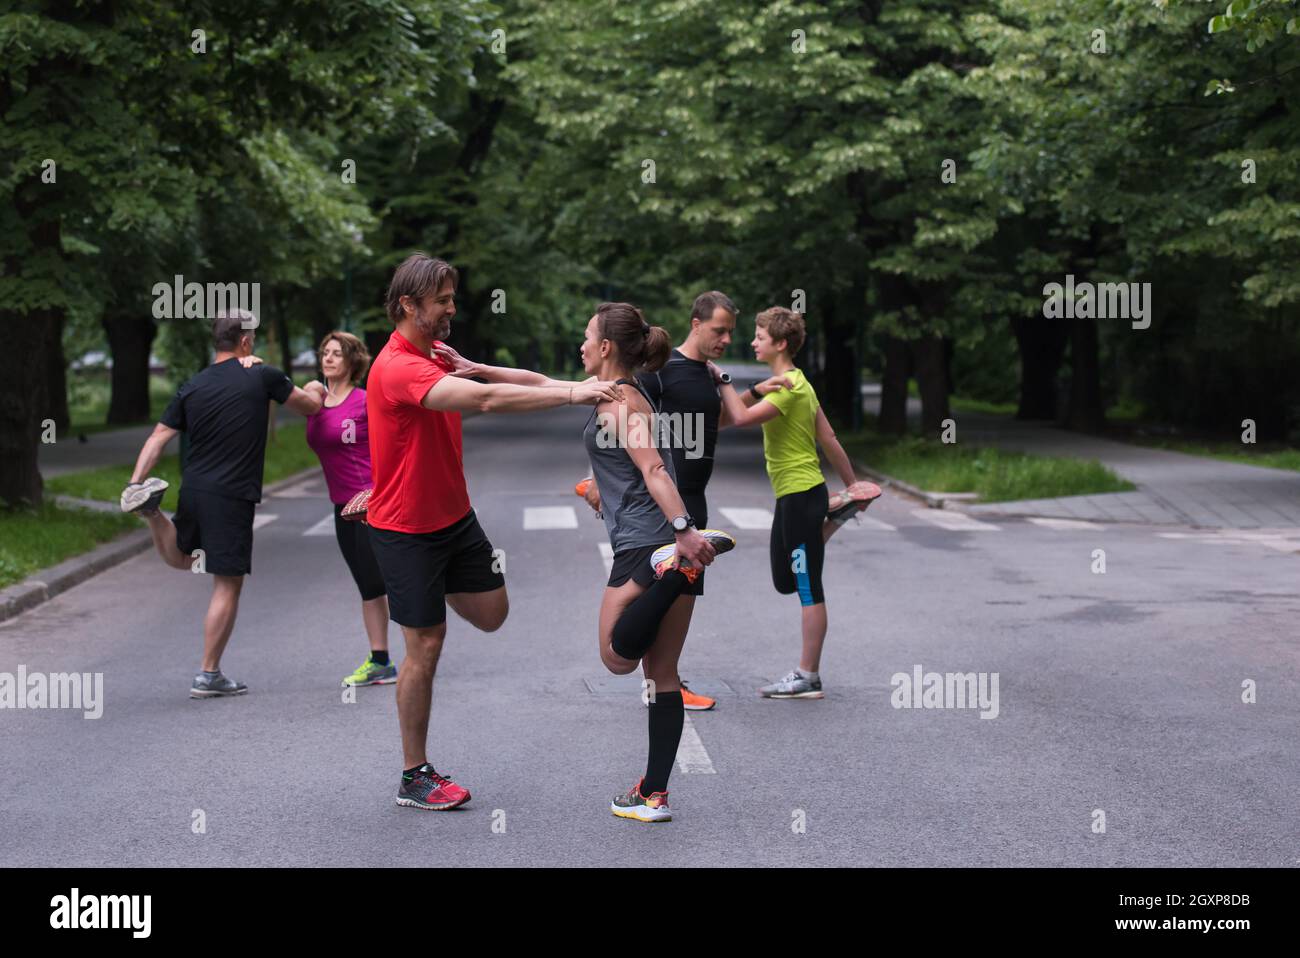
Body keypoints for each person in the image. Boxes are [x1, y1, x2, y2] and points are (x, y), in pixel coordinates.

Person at [366, 252, 620, 811]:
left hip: (455, 518)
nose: (453, 308)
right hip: (406, 531)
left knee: (492, 613)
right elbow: (484, 400)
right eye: (443, 300)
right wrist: (572, 394)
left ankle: (424, 595)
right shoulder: (398, 366)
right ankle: (415, 775)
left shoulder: (432, 354)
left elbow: (490, 383)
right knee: (426, 643)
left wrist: (503, 371)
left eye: (454, 297)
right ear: (409, 304)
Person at [579, 302, 735, 823]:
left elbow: (652, 470)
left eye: (586, 338)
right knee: (661, 672)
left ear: (605, 348)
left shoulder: (616, 404)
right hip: (672, 541)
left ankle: (668, 573)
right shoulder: (633, 392)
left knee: (615, 657)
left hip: (652, 542)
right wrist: (478, 370)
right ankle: (653, 796)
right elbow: (535, 383)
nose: (579, 347)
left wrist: (682, 532)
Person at [119, 310, 326, 698]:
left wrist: (134, 482)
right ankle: (209, 673)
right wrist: (317, 386)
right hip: (232, 495)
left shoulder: (192, 385)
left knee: (183, 558)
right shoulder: (263, 375)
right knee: (227, 583)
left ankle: (151, 511)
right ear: (245, 342)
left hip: (195, 487)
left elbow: (157, 438)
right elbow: (309, 407)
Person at [713, 306, 879, 700]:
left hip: (803, 494)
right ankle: (837, 513)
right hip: (796, 496)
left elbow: (734, 418)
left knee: (807, 586)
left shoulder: (788, 387)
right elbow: (830, 437)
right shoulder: (797, 382)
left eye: (759, 336)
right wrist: (852, 486)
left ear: (780, 343)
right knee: (783, 578)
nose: (752, 341)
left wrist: (722, 380)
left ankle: (808, 676)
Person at [303, 330, 396, 688]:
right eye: (325, 352)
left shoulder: (364, 401)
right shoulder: (315, 401)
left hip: (372, 503)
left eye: (337, 353)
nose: (328, 358)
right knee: (368, 586)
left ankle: (417, 646)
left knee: (386, 579)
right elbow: (282, 392)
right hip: (342, 507)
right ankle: (381, 661)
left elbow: (392, 445)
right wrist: (249, 363)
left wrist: (381, 492)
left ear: (352, 361)